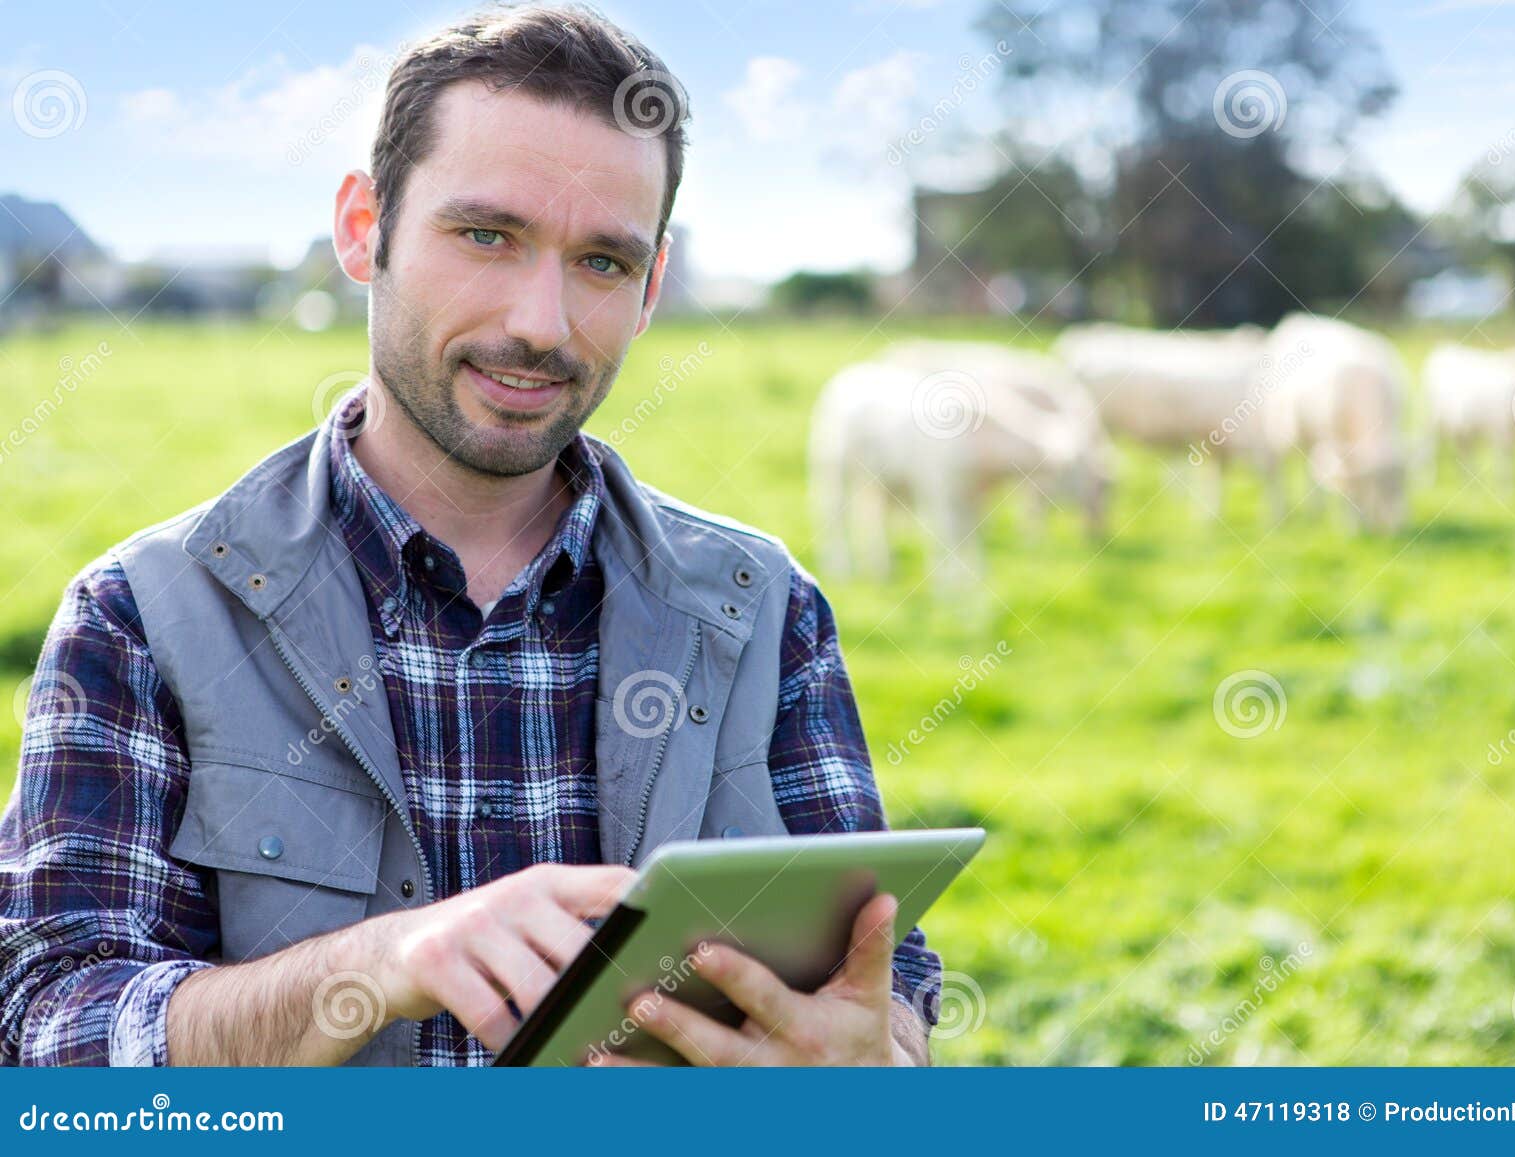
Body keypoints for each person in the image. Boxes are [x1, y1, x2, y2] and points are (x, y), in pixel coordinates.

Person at [0, 3, 940, 1067]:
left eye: (600, 262)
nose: (540, 322)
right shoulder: (143, 616)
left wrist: (869, 1066)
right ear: (364, 228)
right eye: (485, 235)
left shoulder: (766, 609)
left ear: (650, 290)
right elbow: (47, 1033)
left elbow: (886, 985)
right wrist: (376, 965)